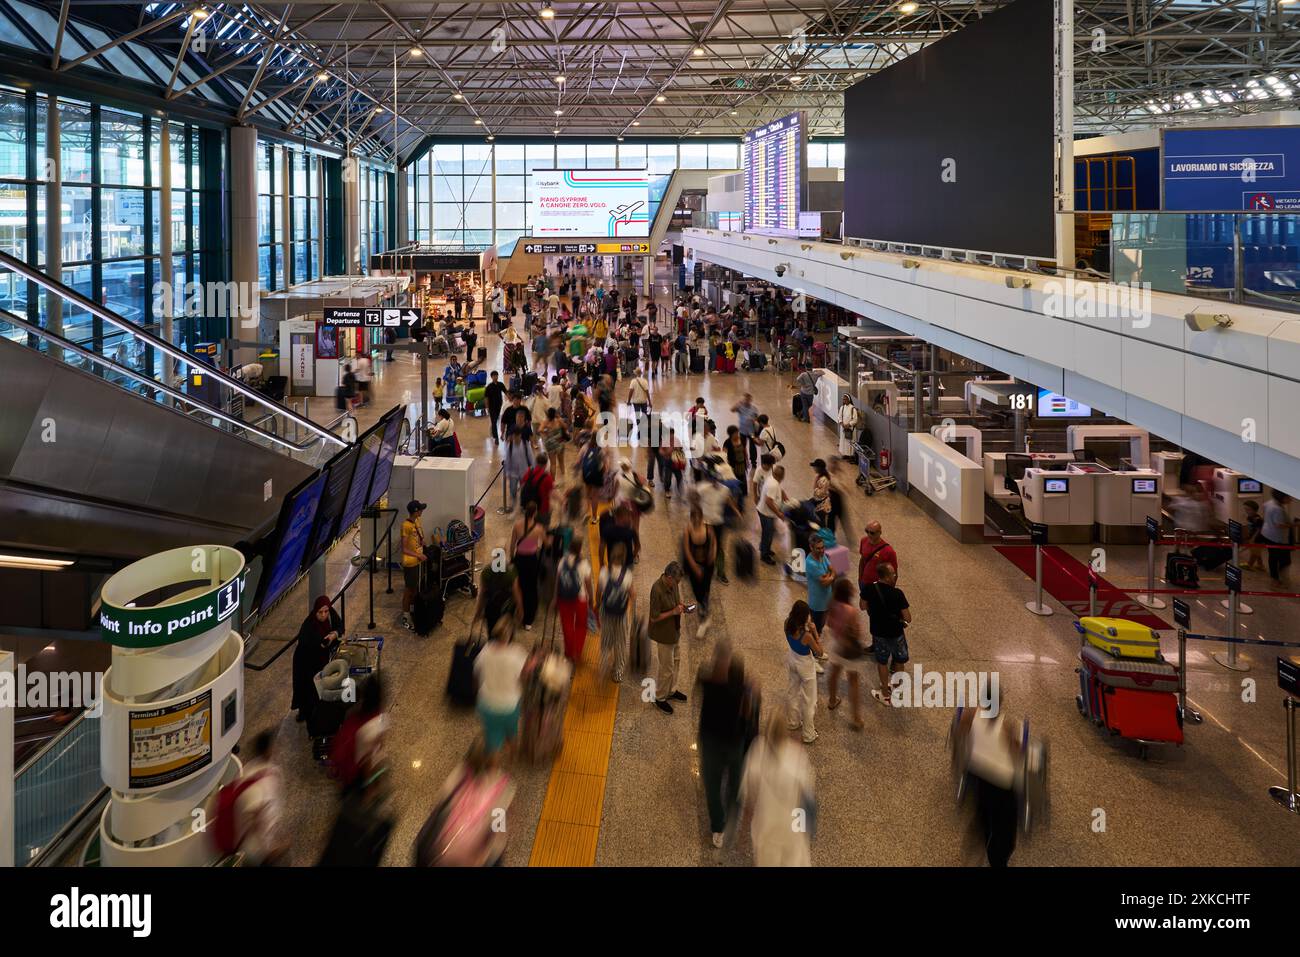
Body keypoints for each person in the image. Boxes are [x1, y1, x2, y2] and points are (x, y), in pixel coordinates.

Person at [697, 641, 756, 848]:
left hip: (723, 741)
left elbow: (747, 715)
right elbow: (748, 716)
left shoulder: (718, 683)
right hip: (723, 742)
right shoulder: (720, 685)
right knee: (722, 783)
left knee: (724, 785)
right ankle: (723, 821)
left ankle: (724, 822)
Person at [740, 710, 815, 866]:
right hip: (792, 824)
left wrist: (746, 824)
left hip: (767, 824)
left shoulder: (758, 749)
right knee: (792, 858)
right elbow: (807, 795)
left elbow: (748, 794)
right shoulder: (797, 755)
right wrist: (803, 829)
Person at [228, 730, 288, 865]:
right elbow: (258, 820)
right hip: (256, 849)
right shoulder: (267, 781)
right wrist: (270, 851)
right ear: (269, 750)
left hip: (244, 839)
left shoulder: (249, 768)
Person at [474, 616, 529, 754]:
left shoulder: (485, 650)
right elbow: (525, 678)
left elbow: (476, 674)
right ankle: (512, 755)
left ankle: (493, 770)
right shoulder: (517, 653)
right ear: (511, 635)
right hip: (509, 706)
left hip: (486, 704)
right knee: (512, 734)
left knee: (492, 742)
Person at [862, 563, 911, 705]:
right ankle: (897, 690)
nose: (895, 576)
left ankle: (884, 693)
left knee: (882, 662)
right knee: (899, 660)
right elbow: (908, 618)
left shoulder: (870, 589)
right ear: (887, 576)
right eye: (893, 574)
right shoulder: (898, 594)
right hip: (897, 634)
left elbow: (862, 605)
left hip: (879, 632)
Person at [291, 595, 341, 725]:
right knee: (306, 687)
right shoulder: (309, 625)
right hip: (306, 661)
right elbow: (305, 643)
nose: (323, 615)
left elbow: (340, 626)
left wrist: (334, 635)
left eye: (326, 611)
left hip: (321, 659)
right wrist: (320, 643)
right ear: (315, 611)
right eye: (320, 612)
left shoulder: (331, 614)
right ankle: (306, 713)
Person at [825, 578, 866, 731]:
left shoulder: (832, 604)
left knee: (834, 673)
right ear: (848, 592)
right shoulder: (851, 611)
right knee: (853, 681)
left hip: (837, 644)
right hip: (850, 649)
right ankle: (856, 718)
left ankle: (832, 700)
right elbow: (857, 632)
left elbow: (828, 623)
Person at [648, 562, 687, 714]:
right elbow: (653, 617)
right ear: (669, 577)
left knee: (677, 660)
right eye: (677, 581)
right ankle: (659, 697)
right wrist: (673, 612)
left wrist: (681, 607)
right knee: (666, 668)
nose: (678, 584)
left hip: (674, 631)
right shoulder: (656, 590)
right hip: (663, 634)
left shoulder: (674, 585)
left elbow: (675, 602)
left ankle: (671, 690)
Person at [783, 599, 823, 744]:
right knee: (809, 700)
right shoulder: (806, 635)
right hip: (805, 666)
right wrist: (815, 632)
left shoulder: (787, 623)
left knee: (792, 691)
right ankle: (808, 734)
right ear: (804, 617)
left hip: (792, 659)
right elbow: (819, 652)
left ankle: (793, 722)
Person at [596, 542, 635, 683]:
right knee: (620, 642)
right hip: (621, 615)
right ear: (623, 558)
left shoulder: (603, 572)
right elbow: (632, 594)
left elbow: (599, 592)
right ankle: (618, 672)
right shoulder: (627, 575)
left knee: (606, 642)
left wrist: (597, 605)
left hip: (606, 612)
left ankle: (603, 667)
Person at [554, 536, 595, 662]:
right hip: (580, 599)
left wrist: (555, 597)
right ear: (580, 549)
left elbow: (557, 580)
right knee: (581, 625)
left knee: (567, 625)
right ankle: (577, 651)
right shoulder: (583, 564)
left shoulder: (562, 561)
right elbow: (588, 583)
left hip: (563, 598)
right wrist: (591, 598)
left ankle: (568, 652)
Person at [509, 501, 548, 630]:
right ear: (535, 512)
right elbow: (546, 544)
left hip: (519, 559)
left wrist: (512, 559)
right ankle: (528, 620)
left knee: (519, 586)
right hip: (531, 560)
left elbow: (512, 545)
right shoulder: (539, 528)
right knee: (531, 588)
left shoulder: (517, 526)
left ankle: (517, 612)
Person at [681, 503, 717, 629]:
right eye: (694, 517)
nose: (696, 520)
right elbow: (686, 550)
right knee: (696, 589)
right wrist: (694, 566)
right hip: (693, 565)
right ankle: (701, 603)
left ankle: (704, 608)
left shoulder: (708, 528)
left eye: (698, 517)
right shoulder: (688, 530)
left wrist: (713, 554)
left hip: (707, 564)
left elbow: (713, 543)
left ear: (702, 517)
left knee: (706, 587)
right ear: (691, 518)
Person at [399, 501, 428, 630]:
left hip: (417, 560)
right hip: (410, 563)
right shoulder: (406, 526)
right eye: (420, 509)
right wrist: (418, 556)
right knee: (409, 589)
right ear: (416, 511)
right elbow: (404, 549)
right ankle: (405, 616)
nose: (422, 511)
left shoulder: (417, 522)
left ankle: (412, 610)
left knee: (415, 588)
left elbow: (418, 539)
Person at [502, 407, 536, 514]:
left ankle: (522, 505)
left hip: (524, 472)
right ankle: (514, 503)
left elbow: (531, 458)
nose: (515, 438)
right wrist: (506, 472)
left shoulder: (526, 445)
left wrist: (533, 471)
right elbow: (507, 459)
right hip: (513, 473)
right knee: (512, 490)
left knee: (524, 490)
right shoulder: (510, 446)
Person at [857, 521, 899, 606]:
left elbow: (894, 574)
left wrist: (890, 591)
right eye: (866, 531)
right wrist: (860, 578)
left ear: (880, 533)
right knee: (867, 607)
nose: (869, 534)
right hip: (864, 583)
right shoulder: (864, 541)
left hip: (878, 588)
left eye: (872, 533)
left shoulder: (889, 551)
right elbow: (862, 560)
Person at [1261, 490, 1296, 582]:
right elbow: (1279, 525)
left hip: (1267, 533)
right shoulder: (1278, 509)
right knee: (1285, 560)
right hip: (1277, 537)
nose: (1290, 499)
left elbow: (1264, 508)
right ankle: (1278, 577)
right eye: (1288, 497)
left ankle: (1275, 576)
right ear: (1282, 498)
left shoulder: (1269, 502)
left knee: (1272, 556)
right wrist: (1293, 524)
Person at [758, 464, 788, 565]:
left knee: (768, 532)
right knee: (768, 534)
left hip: (765, 512)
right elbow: (768, 501)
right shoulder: (773, 485)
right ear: (782, 477)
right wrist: (779, 514)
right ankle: (764, 555)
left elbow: (780, 489)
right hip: (766, 514)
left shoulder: (772, 478)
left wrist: (783, 495)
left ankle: (764, 548)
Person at [804, 533, 835, 634]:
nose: (822, 550)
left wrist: (829, 576)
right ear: (811, 547)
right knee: (816, 629)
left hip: (826, 599)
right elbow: (825, 583)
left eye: (822, 547)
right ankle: (814, 647)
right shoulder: (811, 563)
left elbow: (832, 569)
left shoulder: (822, 555)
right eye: (818, 548)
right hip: (817, 604)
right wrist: (832, 576)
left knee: (821, 624)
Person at [731, 393, 760, 469]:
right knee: (742, 446)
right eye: (745, 399)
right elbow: (732, 409)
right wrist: (738, 403)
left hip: (752, 432)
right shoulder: (740, 407)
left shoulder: (754, 408)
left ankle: (753, 462)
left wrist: (753, 420)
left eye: (748, 400)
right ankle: (744, 460)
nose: (746, 401)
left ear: (750, 400)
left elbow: (758, 418)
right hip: (742, 431)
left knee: (752, 446)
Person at [1242, 499, 1266, 572]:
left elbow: (1259, 529)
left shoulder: (1257, 518)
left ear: (1254, 510)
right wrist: (1247, 537)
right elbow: (1250, 527)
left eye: (1248, 509)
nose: (1246, 511)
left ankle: (1250, 565)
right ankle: (1260, 565)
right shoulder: (1249, 517)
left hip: (1258, 538)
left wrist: (1253, 538)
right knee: (1256, 552)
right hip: (1252, 537)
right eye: (1245, 509)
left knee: (1254, 553)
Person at [485, 371, 507, 443]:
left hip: (499, 405)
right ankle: (496, 437)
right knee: (494, 422)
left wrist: (511, 398)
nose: (495, 377)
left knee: (496, 419)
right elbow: (486, 398)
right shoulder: (489, 387)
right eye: (494, 376)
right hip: (491, 407)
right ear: (491, 377)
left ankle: (492, 430)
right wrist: (487, 407)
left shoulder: (500, 384)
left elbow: (506, 392)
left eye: (496, 376)